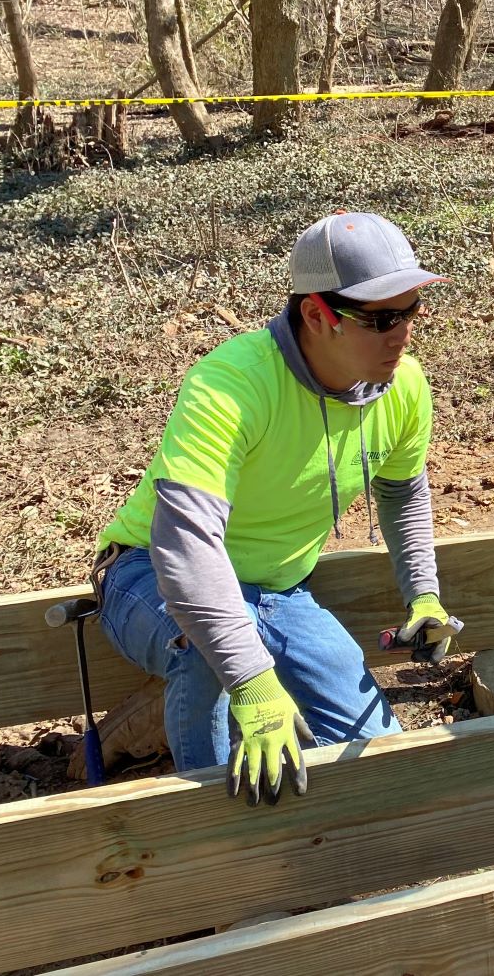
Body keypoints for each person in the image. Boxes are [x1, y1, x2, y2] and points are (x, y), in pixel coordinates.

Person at [95, 211, 456, 806]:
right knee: (209, 660)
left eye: (411, 311)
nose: (402, 335)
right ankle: (216, 825)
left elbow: (402, 495)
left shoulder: (404, 387)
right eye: (381, 319)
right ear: (316, 314)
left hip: (278, 590)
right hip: (146, 576)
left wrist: (423, 595)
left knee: (376, 750)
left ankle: (202, 695)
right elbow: (185, 548)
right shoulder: (230, 385)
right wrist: (252, 681)